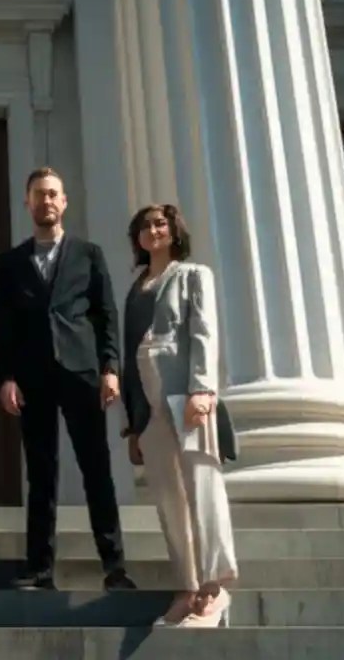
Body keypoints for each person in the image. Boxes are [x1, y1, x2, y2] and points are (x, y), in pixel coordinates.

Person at [0, 167, 135, 591]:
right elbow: (2, 326)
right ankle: (39, 568)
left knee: (96, 469)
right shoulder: (12, 262)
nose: (47, 201)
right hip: (32, 379)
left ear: (64, 201)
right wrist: (6, 378)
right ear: (28, 202)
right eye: (39, 195)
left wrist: (111, 368)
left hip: (81, 372)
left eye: (53, 194)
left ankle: (114, 566)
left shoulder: (88, 254)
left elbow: (106, 314)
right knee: (41, 474)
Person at [121, 203, 238, 627]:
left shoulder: (193, 275)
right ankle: (186, 589)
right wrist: (133, 422)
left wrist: (203, 389)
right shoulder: (135, 288)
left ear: (174, 231)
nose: (153, 231)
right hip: (149, 406)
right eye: (145, 227)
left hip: (186, 396)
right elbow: (128, 353)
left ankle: (215, 588)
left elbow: (203, 332)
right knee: (169, 500)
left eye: (160, 224)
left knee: (202, 489)